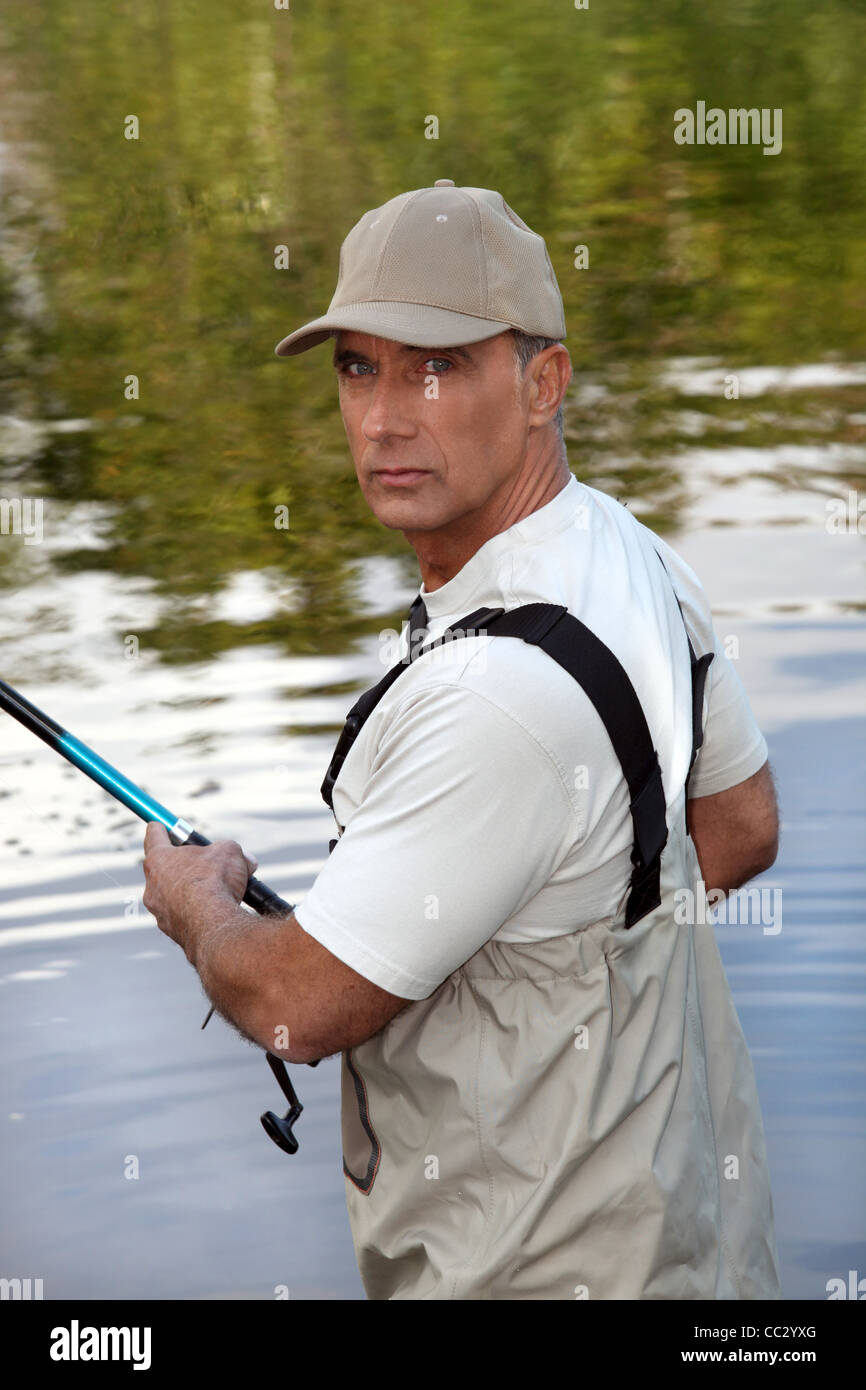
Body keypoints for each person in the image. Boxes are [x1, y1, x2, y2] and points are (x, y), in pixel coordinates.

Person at [143, 179, 783, 1300]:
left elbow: (296, 1006)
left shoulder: (491, 701)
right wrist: (504, 920)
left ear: (544, 383)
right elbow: (735, 829)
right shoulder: (630, 557)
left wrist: (198, 901)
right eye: (357, 367)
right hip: (700, 1259)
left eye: (434, 367)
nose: (384, 416)